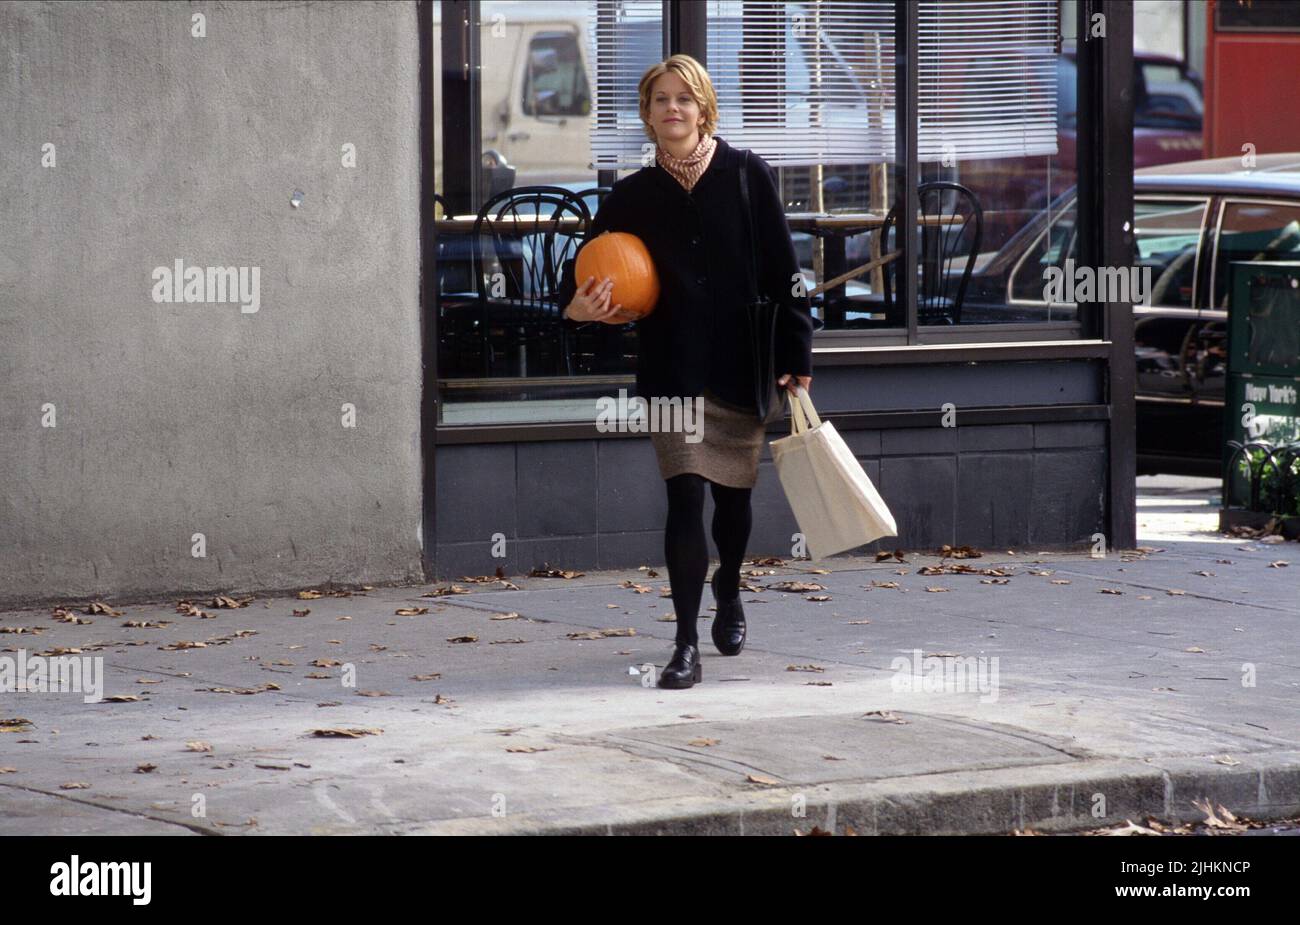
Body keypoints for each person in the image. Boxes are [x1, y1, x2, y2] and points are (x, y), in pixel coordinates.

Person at [557, 54, 814, 690]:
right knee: (685, 496)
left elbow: (785, 272)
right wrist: (578, 308)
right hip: (671, 368)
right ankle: (685, 643)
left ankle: (730, 588)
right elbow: (585, 275)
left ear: (703, 109)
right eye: (660, 100)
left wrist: (797, 355)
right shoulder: (632, 195)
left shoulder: (747, 174)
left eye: (684, 98)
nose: (672, 108)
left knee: (734, 502)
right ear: (647, 115)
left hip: (742, 365)